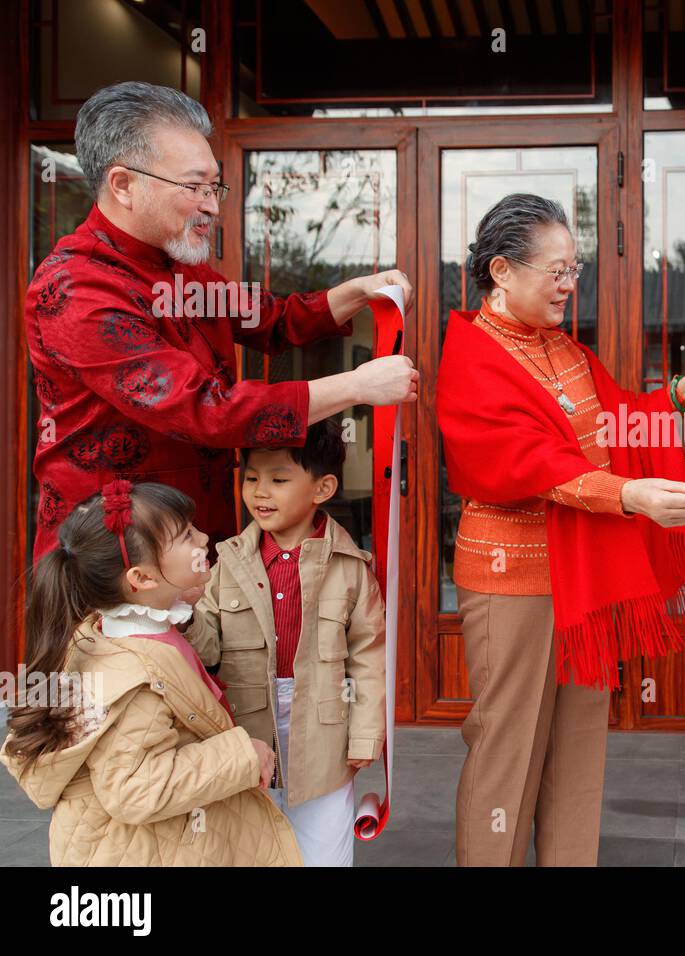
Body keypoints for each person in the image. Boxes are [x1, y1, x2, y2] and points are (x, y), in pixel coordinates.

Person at [436, 193, 685, 866]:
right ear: (504, 272)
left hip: (584, 579)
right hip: (514, 579)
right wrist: (629, 494)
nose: (571, 284)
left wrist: (682, 393)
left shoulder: (564, 349)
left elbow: (620, 418)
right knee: (506, 754)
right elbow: (531, 464)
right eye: (557, 269)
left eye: (575, 268)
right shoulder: (473, 356)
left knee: (578, 752)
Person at [27, 80, 418, 562]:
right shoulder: (75, 288)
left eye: (214, 186)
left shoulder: (180, 267)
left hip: (197, 541)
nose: (212, 205)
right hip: (114, 558)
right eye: (193, 187)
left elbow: (272, 321)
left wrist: (355, 293)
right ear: (123, 185)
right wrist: (358, 387)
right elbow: (206, 409)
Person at [0, 481, 301, 866]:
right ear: (142, 579)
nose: (204, 537)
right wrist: (242, 757)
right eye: (186, 535)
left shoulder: (126, 626)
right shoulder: (134, 682)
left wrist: (179, 596)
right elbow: (135, 790)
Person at [183, 419, 385, 867]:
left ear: (322, 488)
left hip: (324, 724)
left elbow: (369, 656)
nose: (260, 492)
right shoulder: (227, 562)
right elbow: (209, 648)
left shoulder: (349, 567)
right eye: (252, 477)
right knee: (253, 840)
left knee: (323, 840)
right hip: (248, 721)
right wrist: (182, 616)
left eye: (278, 480)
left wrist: (366, 733)